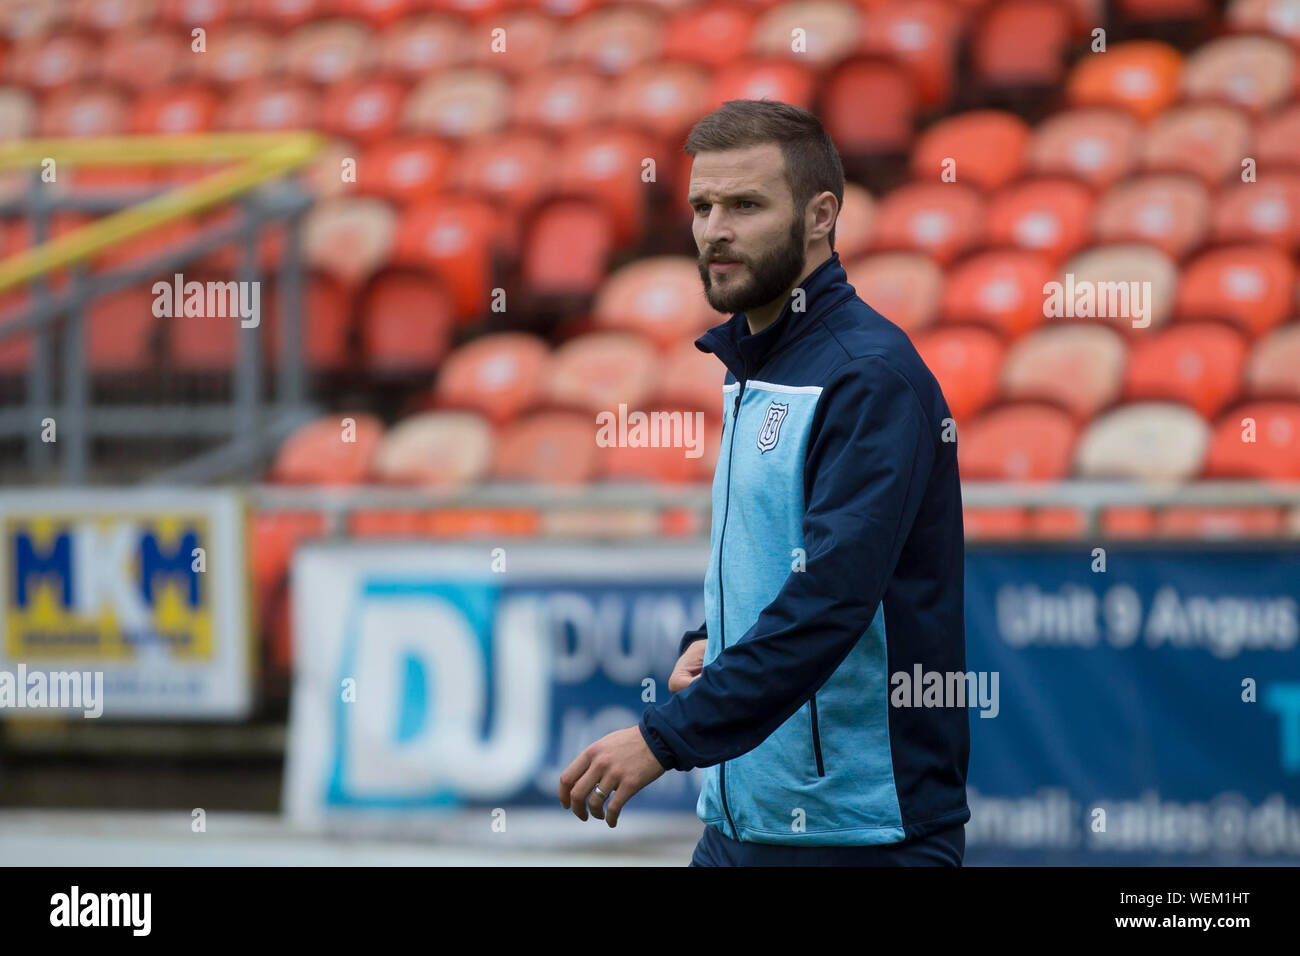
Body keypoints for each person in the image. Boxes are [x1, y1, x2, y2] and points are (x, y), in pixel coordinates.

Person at [558, 99, 969, 866]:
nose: (715, 228)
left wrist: (664, 739)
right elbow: (783, 562)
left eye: (745, 204)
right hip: (741, 826)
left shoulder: (867, 376)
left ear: (821, 215)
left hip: (864, 838)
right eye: (702, 206)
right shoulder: (755, 364)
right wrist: (710, 637)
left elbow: (831, 600)